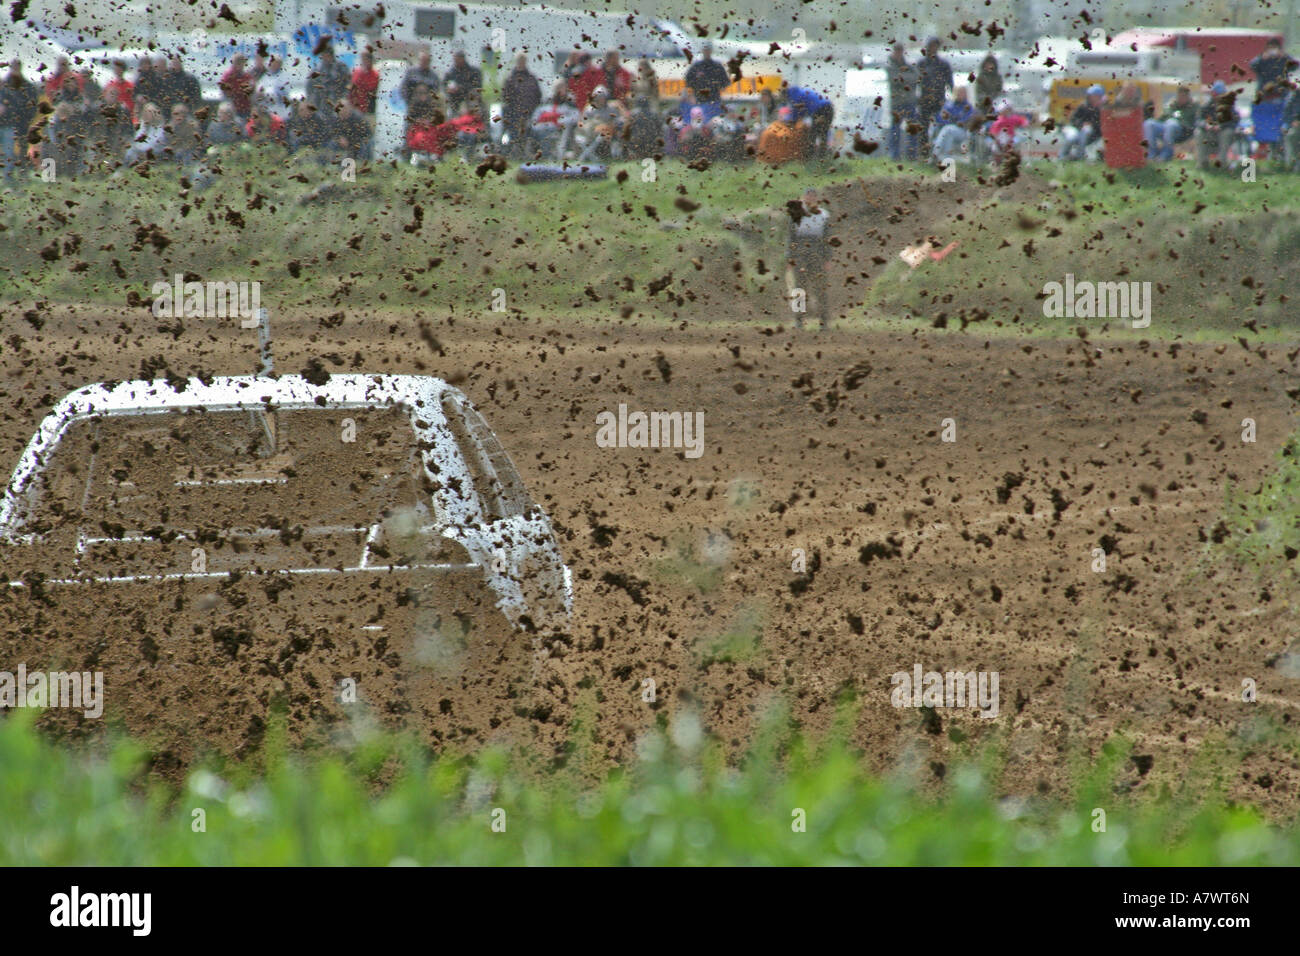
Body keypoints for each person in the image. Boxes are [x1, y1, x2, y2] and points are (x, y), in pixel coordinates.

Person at [786, 188, 832, 330]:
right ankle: (799, 321)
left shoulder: (824, 215)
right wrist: (790, 257)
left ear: (816, 199)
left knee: (820, 288)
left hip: (817, 251)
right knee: (799, 288)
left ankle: (824, 321)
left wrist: (828, 258)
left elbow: (827, 238)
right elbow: (791, 237)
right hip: (800, 252)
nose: (810, 199)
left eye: (813, 196)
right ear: (803, 198)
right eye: (808, 196)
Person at [0, 60, 37, 185]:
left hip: (20, 123)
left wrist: (26, 118)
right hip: (5, 124)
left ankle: (20, 175)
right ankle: (8, 177)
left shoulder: (27, 86)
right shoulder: (4, 85)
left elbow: (32, 104)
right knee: (8, 151)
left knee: (19, 151)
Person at [917, 36, 953, 156]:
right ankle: (924, 153)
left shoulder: (943, 64)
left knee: (939, 126)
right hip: (924, 100)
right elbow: (916, 82)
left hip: (939, 100)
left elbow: (950, 83)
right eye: (931, 46)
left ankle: (937, 152)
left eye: (935, 46)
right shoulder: (921, 64)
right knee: (924, 128)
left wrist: (952, 98)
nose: (933, 48)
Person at [884, 42, 919, 160]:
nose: (898, 53)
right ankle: (895, 155)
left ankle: (912, 154)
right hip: (897, 103)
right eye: (897, 51)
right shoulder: (890, 66)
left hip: (910, 102)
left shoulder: (909, 65)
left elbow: (916, 77)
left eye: (900, 51)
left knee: (913, 128)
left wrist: (903, 78)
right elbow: (895, 79)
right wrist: (906, 78)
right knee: (895, 131)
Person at [501, 53, 540, 157]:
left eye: (523, 60)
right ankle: (513, 153)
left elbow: (538, 96)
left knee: (528, 133)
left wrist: (531, 109)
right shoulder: (510, 79)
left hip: (529, 113)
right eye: (519, 60)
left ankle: (526, 153)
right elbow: (505, 96)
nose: (521, 63)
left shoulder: (531, 78)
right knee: (514, 133)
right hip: (514, 113)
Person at [1143, 85, 1197, 161]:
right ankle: (1151, 155)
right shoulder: (1172, 105)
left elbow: (1191, 124)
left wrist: (1174, 119)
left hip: (1182, 131)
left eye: (1184, 96)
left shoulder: (1193, 107)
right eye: (1180, 95)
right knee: (1149, 123)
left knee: (1171, 123)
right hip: (1166, 127)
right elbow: (1161, 118)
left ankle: (1165, 156)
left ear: (1188, 96)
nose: (1181, 98)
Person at [529, 80, 580, 159]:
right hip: (543, 126)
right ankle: (533, 153)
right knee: (533, 130)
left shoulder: (569, 102)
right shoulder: (547, 101)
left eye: (561, 87)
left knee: (546, 132)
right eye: (557, 87)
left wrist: (560, 121)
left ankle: (546, 155)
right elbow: (537, 114)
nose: (559, 90)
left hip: (560, 128)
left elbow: (575, 116)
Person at [783, 84, 834, 160]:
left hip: (821, 110)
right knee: (823, 135)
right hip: (828, 108)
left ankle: (809, 159)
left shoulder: (795, 97)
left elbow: (795, 114)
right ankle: (823, 158)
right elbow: (802, 112)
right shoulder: (799, 92)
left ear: (785, 95)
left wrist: (790, 124)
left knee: (812, 136)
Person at [1196, 80, 1237, 171]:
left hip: (1223, 133)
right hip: (1209, 133)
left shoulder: (1230, 107)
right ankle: (1202, 162)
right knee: (1199, 132)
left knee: (1227, 133)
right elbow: (1198, 120)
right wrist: (1206, 125)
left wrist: (1221, 126)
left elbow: (1234, 121)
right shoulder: (1206, 106)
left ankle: (1221, 163)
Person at [930, 86, 974, 164]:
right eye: (959, 92)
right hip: (947, 130)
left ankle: (936, 155)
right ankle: (946, 158)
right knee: (948, 132)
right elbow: (940, 118)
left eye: (963, 92)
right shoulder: (949, 105)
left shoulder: (968, 107)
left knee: (948, 129)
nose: (961, 94)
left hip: (961, 132)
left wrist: (954, 121)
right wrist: (949, 120)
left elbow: (967, 120)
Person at [1060, 84, 1104, 161]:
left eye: (1098, 96)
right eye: (1094, 96)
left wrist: (1092, 124)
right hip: (1075, 128)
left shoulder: (1100, 109)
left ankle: (1079, 155)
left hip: (1091, 132)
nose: (1096, 98)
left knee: (1086, 131)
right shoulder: (1083, 106)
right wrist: (1081, 124)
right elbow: (1073, 119)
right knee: (1071, 137)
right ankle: (1062, 155)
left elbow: (1100, 123)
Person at [306, 45, 350, 115]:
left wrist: (343, 99)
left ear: (331, 55)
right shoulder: (318, 69)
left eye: (327, 56)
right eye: (323, 56)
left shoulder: (341, 68)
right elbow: (310, 87)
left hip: (337, 103)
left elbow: (348, 86)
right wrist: (311, 101)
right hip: (320, 104)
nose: (325, 58)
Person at [1249, 38, 1297, 102]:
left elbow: (1295, 66)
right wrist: (1261, 58)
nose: (1273, 50)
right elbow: (1252, 66)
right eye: (1270, 48)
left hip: (1281, 92)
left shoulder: (1283, 59)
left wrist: (1286, 56)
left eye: (1274, 48)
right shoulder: (1263, 59)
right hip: (1265, 91)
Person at [124, 101, 167, 165]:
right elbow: (137, 138)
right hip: (140, 151)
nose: (148, 115)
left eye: (150, 113)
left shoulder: (160, 127)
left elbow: (155, 142)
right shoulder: (142, 124)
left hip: (155, 152)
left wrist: (141, 149)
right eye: (146, 113)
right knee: (129, 150)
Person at [443, 49, 482, 115]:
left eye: (458, 59)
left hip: (470, 96)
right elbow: (444, 85)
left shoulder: (473, 71)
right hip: (455, 98)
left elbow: (478, 85)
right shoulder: (450, 72)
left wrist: (460, 87)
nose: (456, 61)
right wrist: (448, 89)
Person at [255, 55, 292, 121]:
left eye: (275, 63)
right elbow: (259, 88)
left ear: (280, 65)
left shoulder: (284, 76)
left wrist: (266, 94)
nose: (273, 65)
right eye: (272, 63)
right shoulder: (266, 76)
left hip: (282, 112)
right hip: (270, 111)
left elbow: (281, 93)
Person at [220, 53, 255, 119]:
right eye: (238, 63)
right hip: (232, 107)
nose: (241, 65)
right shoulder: (228, 75)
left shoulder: (246, 76)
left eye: (242, 63)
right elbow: (225, 92)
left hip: (245, 107)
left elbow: (251, 89)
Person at [349, 49, 380, 116]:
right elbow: (352, 86)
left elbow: (371, 87)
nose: (363, 62)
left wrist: (363, 75)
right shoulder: (357, 71)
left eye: (365, 59)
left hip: (368, 108)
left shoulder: (374, 74)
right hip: (355, 106)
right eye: (363, 59)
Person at [1283, 84, 1300, 171]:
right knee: (1291, 136)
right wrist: (1292, 121)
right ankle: (1291, 163)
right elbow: (1286, 114)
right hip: (1295, 126)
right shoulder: (1293, 98)